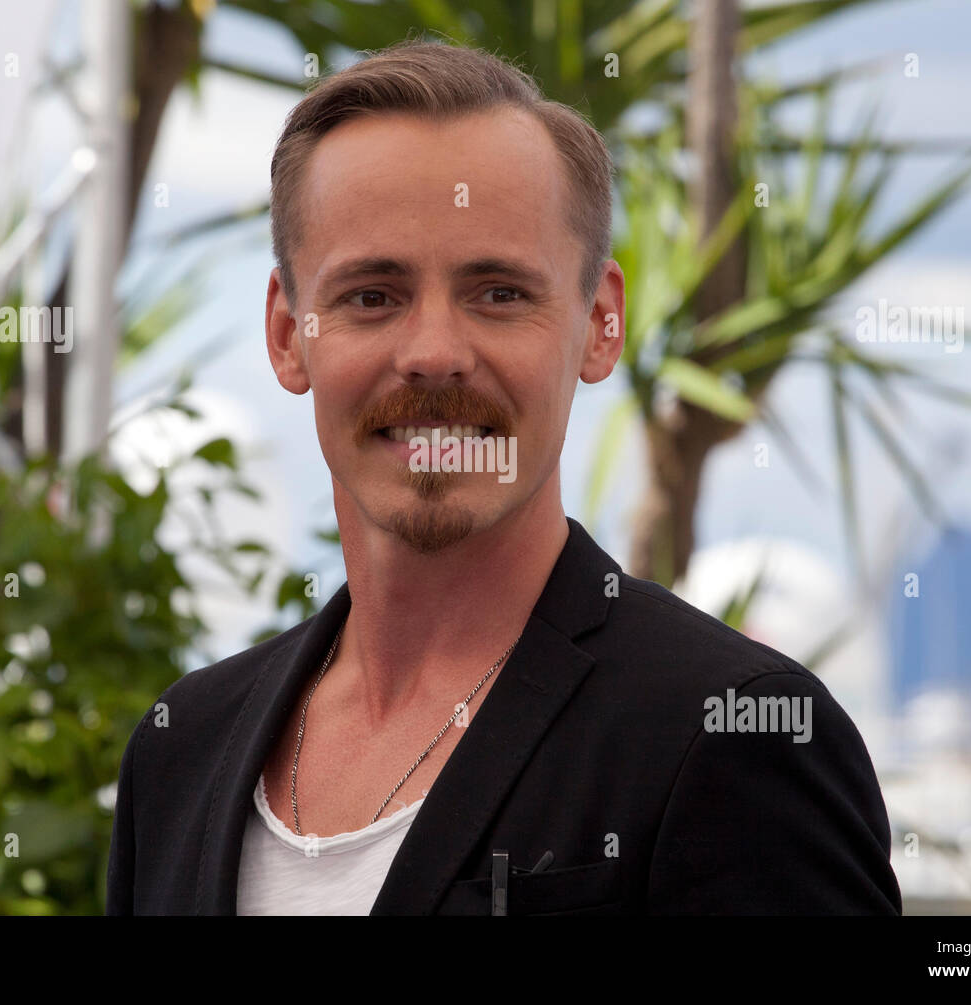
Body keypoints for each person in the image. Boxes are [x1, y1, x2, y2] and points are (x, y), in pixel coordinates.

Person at [105, 38, 901, 916]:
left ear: (600, 323)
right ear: (290, 334)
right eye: (373, 294)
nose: (435, 354)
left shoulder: (732, 735)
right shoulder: (181, 753)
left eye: (499, 294)